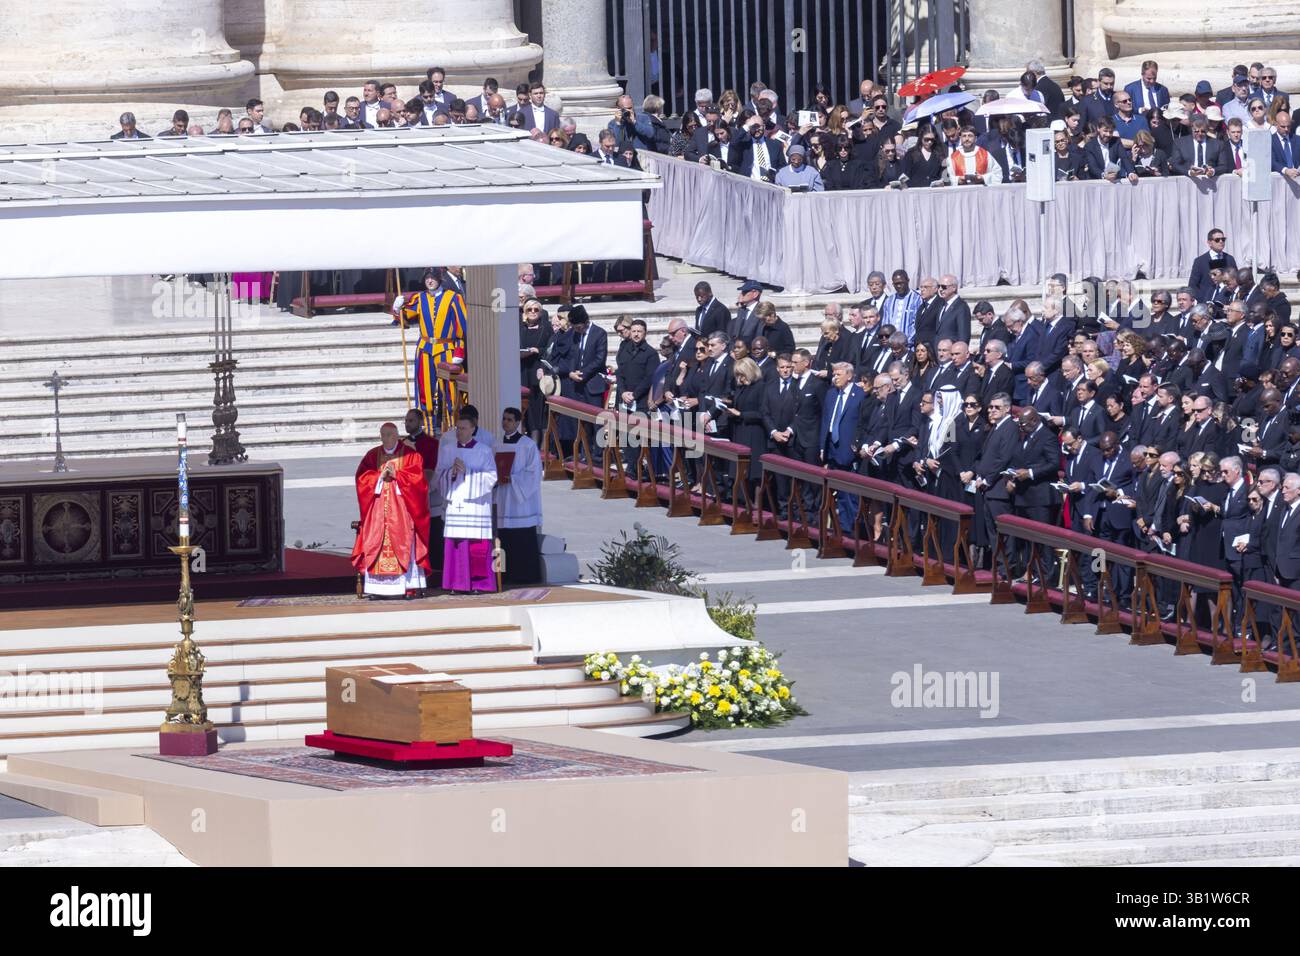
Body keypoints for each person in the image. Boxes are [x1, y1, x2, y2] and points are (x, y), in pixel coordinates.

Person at [351, 422, 432, 599]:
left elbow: (419, 480)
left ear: (396, 436)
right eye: (383, 435)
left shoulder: (411, 455)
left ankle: (407, 587)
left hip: (401, 512)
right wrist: (378, 477)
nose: (385, 438)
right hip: (378, 512)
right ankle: (378, 589)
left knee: (403, 544)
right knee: (377, 544)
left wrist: (398, 475)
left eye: (389, 435)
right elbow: (361, 478)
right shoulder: (372, 455)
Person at [437, 409, 500, 593]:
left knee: (476, 546)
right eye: (458, 428)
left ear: (473, 429)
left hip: (475, 507)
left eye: (463, 428)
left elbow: (491, 478)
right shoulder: (448, 450)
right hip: (456, 504)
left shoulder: (484, 451)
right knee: (456, 545)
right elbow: (439, 476)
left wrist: (468, 472)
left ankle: (479, 584)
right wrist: (451, 473)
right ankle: (456, 583)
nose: (459, 432)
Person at [399, 268, 467, 433]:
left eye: (432, 278)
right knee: (425, 392)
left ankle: (452, 430)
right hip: (425, 349)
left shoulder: (453, 298)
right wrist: (398, 309)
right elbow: (405, 318)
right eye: (427, 278)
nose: (429, 281)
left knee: (450, 392)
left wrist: (459, 351)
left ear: (439, 279)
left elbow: (463, 327)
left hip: (446, 349)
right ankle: (428, 431)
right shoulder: (420, 298)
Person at [496, 407, 543, 587]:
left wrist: (513, 479)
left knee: (522, 538)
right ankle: (505, 576)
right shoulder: (496, 444)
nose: (505, 422)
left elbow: (534, 473)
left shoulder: (528, 445)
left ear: (517, 423)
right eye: (504, 419)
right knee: (505, 537)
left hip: (521, 502)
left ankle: (525, 576)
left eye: (509, 419)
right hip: (503, 497)